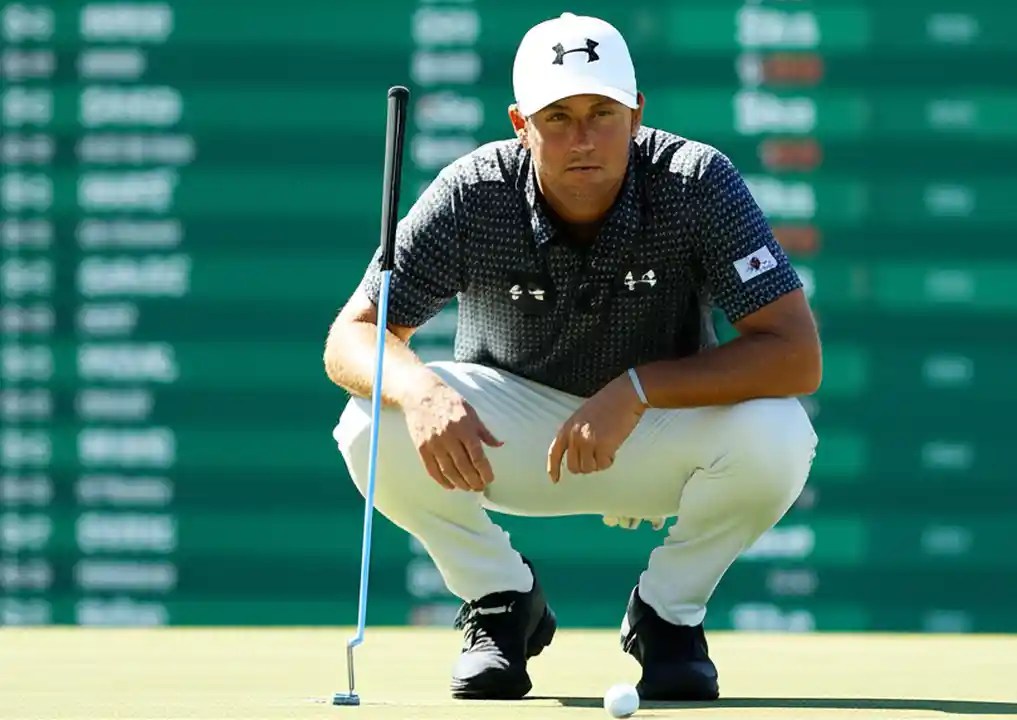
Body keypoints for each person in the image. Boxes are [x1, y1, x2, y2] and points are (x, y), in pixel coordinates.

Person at [322, 11, 822, 702]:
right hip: (507, 437)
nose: (582, 138)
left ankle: (669, 616)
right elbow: (353, 334)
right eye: (556, 117)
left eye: (602, 113)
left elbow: (795, 355)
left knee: (780, 434)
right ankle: (500, 602)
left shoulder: (696, 181)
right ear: (519, 122)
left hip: (655, 432)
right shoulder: (474, 190)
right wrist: (422, 392)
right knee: (369, 423)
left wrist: (638, 388)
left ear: (637, 113)